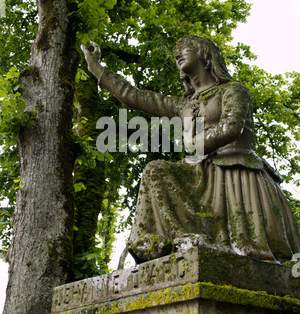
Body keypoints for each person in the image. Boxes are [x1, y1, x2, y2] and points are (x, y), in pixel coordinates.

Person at [81, 35, 300, 263]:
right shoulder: (182, 104)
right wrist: (98, 69)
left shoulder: (232, 90)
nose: (178, 53)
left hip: (235, 175)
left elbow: (232, 127)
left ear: (205, 54)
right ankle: (174, 240)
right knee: (155, 170)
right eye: (176, 51)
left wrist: (195, 144)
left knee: (248, 253)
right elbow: (135, 96)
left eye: (185, 48)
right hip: (197, 174)